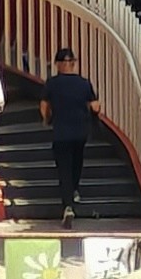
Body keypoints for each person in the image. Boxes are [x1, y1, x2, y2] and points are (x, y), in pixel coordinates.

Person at [42, 46, 101, 223]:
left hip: (61, 131)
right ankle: (74, 190)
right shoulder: (84, 83)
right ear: (74, 64)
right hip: (80, 131)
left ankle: (68, 205)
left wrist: (47, 119)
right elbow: (95, 106)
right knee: (77, 162)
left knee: (64, 168)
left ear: (57, 64)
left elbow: (44, 105)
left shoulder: (52, 83)